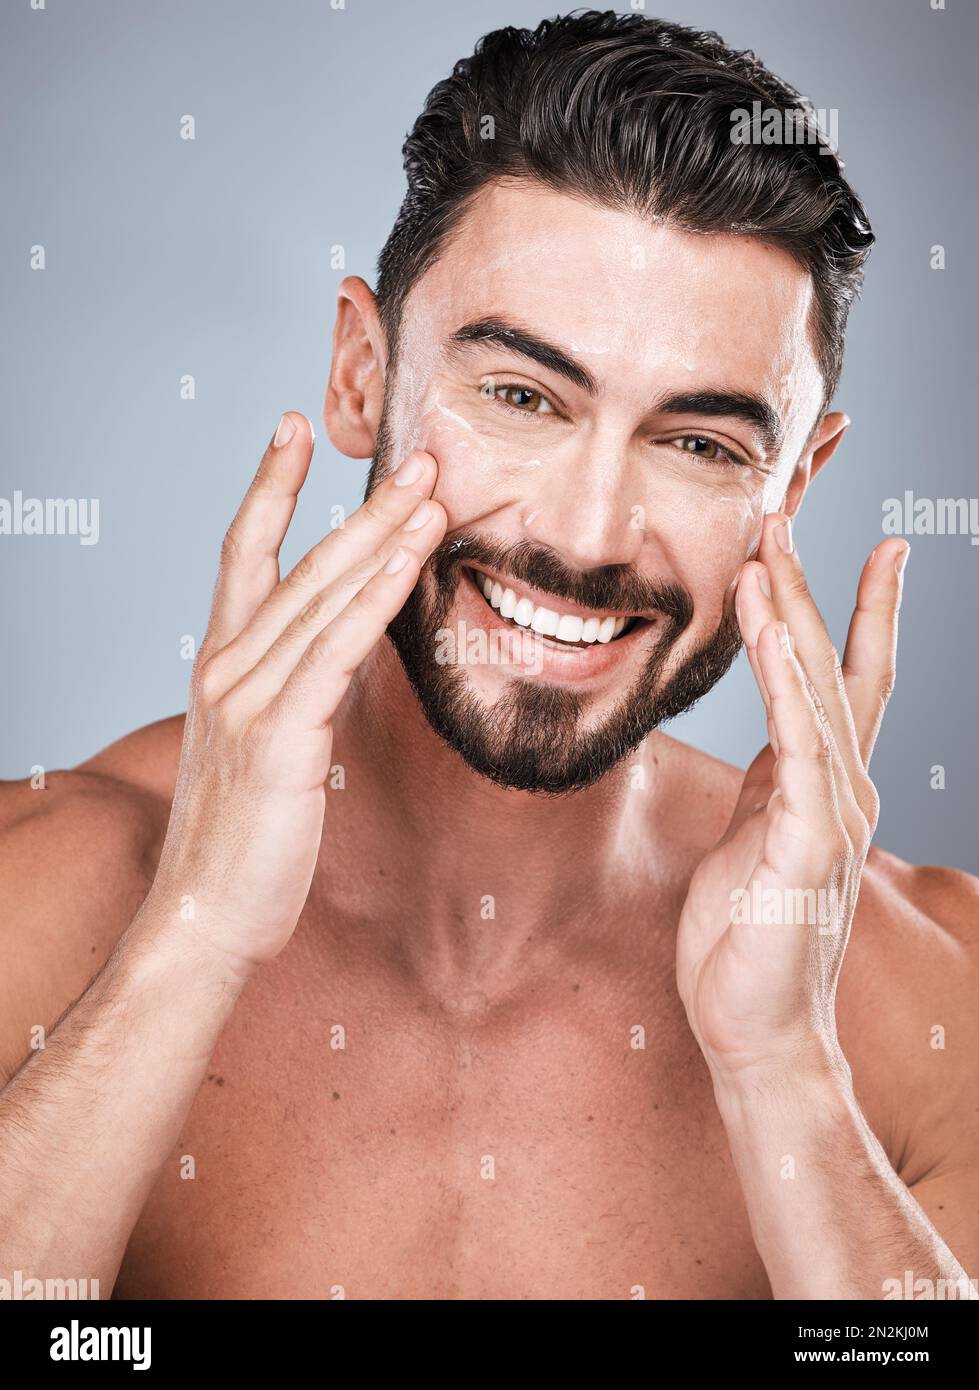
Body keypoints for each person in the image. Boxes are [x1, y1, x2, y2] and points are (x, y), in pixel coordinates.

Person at [1, 11, 977, 1301]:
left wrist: (783, 1066)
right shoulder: (41, 908)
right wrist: (190, 941)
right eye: (521, 397)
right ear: (363, 374)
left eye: (699, 444)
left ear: (792, 488)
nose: (584, 534)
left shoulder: (930, 1002)